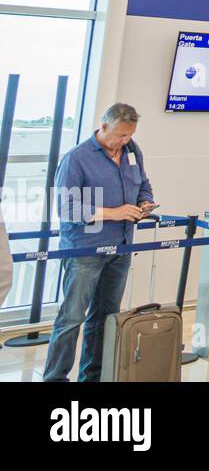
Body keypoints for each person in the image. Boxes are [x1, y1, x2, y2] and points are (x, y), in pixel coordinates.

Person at [44, 103, 157, 382]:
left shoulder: (132, 151)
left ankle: (92, 376)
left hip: (120, 246)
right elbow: (66, 208)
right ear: (103, 127)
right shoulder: (77, 159)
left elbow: (143, 183)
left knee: (106, 317)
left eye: (129, 135)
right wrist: (114, 213)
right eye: (120, 135)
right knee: (71, 318)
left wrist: (144, 202)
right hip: (85, 249)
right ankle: (55, 378)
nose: (125, 141)